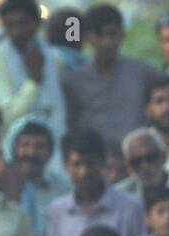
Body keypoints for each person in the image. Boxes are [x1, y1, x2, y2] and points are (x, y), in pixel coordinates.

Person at [0, 0, 68, 160]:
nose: (18, 31)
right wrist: (33, 80)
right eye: (11, 25)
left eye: (23, 23)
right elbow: (7, 118)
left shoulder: (53, 58)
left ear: (37, 22)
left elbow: (57, 111)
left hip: (53, 151)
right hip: (10, 154)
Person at [63, 3, 160, 149]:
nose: (106, 42)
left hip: (138, 157)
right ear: (88, 38)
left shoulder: (143, 72)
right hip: (95, 160)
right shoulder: (74, 81)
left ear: (122, 34)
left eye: (112, 34)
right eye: (99, 35)